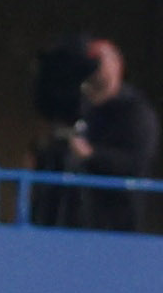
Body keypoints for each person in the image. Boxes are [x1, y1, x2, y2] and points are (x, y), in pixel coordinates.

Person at [60, 37, 157, 231]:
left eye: (100, 61)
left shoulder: (135, 111)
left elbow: (136, 162)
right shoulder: (78, 106)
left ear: (117, 66)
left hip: (118, 222)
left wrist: (92, 154)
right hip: (74, 220)